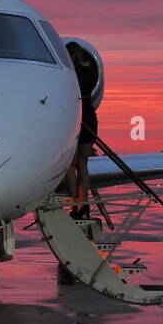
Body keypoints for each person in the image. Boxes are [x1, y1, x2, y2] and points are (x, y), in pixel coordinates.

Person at [64, 44, 99, 219]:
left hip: (75, 118)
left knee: (71, 164)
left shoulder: (69, 75)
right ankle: (84, 202)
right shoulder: (90, 72)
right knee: (83, 164)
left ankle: (74, 203)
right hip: (90, 119)